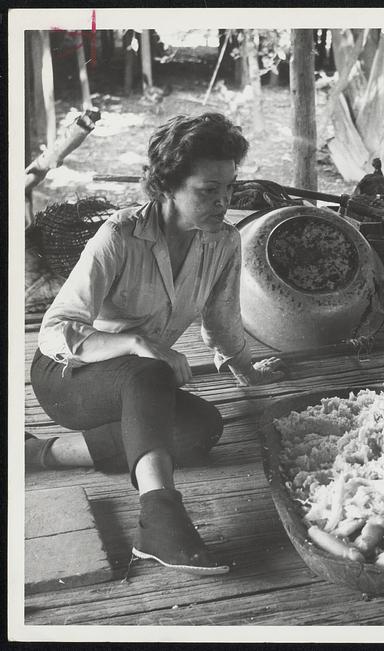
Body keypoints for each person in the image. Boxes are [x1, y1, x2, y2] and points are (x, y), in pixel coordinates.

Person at [28, 112, 284, 575]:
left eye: (229, 188)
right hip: (68, 377)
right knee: (150, 371)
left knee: (201, 427)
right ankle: (161, 523)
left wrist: (249, 371)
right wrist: (135, 342)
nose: (224, 202)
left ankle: (36, 454)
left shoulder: (223, 241)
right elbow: (54, 330)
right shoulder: (119, 237)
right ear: (167, 184)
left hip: (139, 387)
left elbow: (222, 324)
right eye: (208, 190)